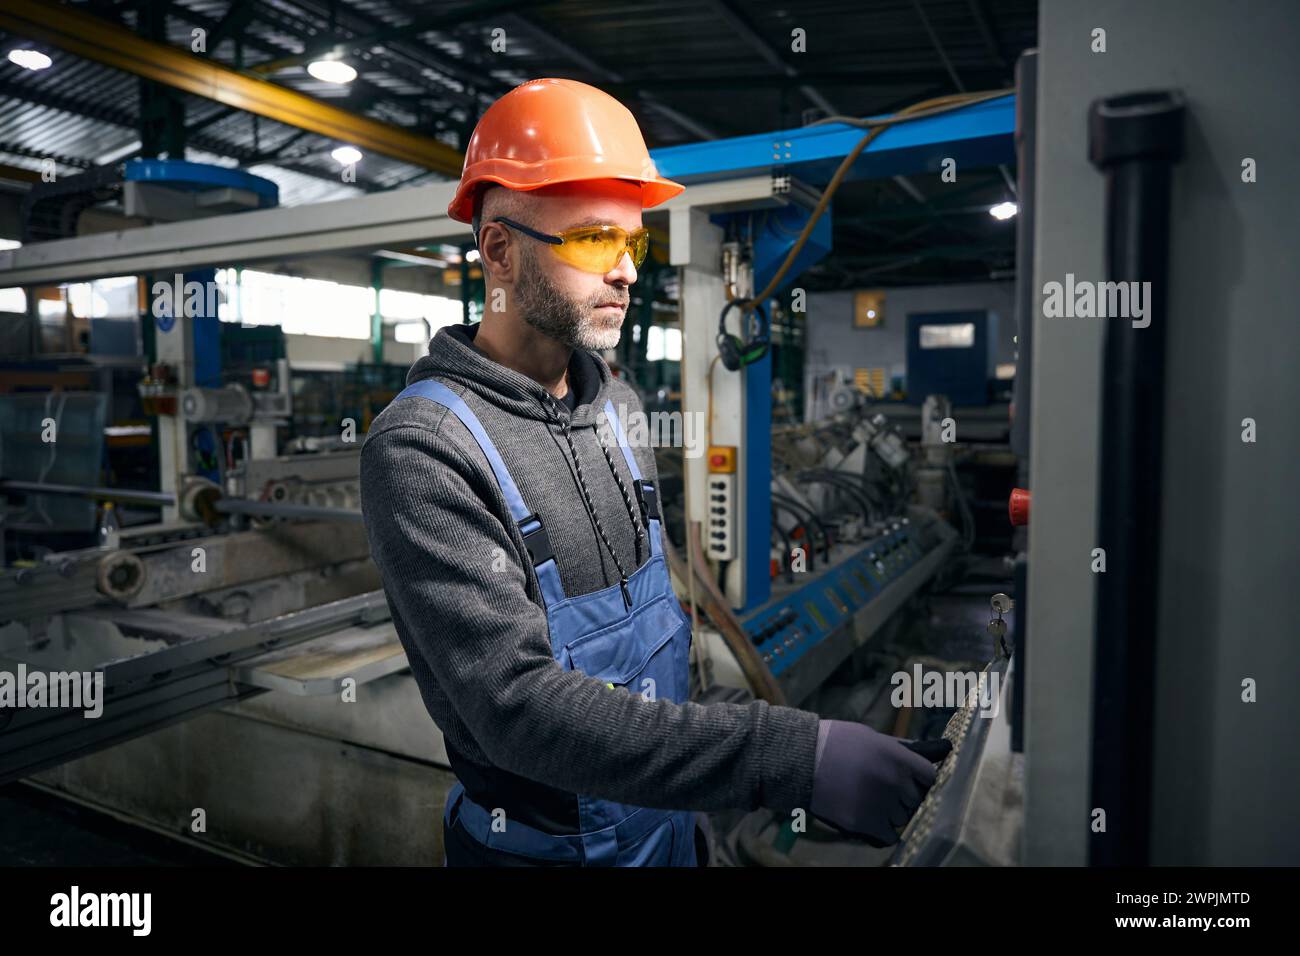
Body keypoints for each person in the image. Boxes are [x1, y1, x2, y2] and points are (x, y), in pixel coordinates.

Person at [359, 78, 947, 867]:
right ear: (499, 249)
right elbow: (518, 708)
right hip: (540, 854)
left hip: (669, 828)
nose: (629, 272)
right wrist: (788, 757)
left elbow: (654, 652)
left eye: (633, 244)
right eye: (596, 240)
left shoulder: (621, 409)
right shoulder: (425, 448)